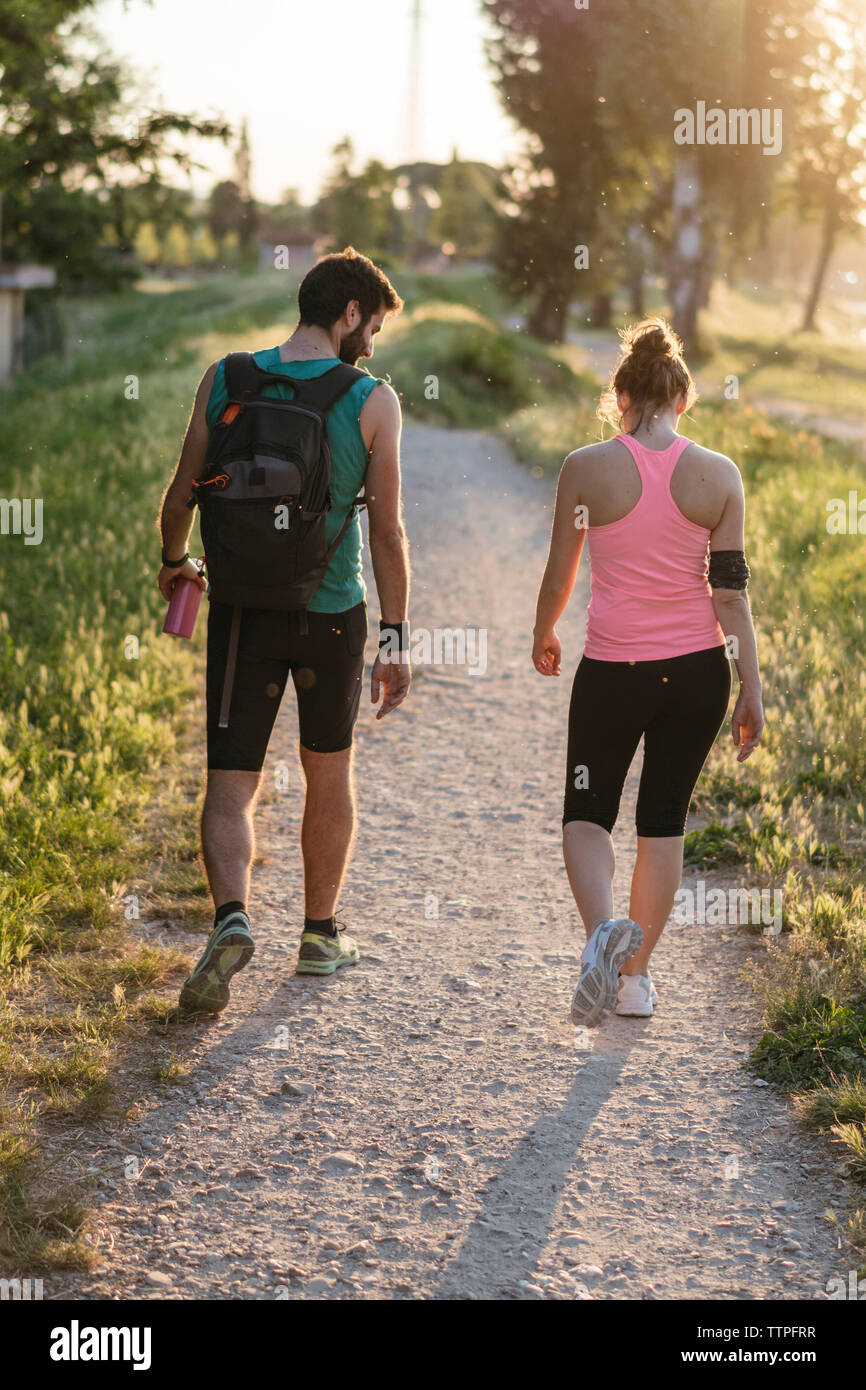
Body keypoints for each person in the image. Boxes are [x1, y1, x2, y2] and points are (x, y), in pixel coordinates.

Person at [158, 248, 411, 1012]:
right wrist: (396, 637)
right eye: (372, 324)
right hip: (331, 615)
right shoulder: (371, 400)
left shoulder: (227, 378)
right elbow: (390, 533)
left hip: (239, 609)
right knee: (328, 771)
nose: (372, 340)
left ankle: (231, 919)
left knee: (231, 783)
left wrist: (177, 563)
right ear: (347, 314)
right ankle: (319, 934)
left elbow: (181, 498)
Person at [532, 318, 764, 1026]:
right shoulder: (719, 475)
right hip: (696, 675)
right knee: (663, 823)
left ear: (621, 395)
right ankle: (634, 983)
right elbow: (729, 594)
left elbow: (560, 572)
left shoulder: (585, 467)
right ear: (683, 400)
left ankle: (602, 934)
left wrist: (543, 630)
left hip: (612, 671)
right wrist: (751, 686)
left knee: (586, 812)